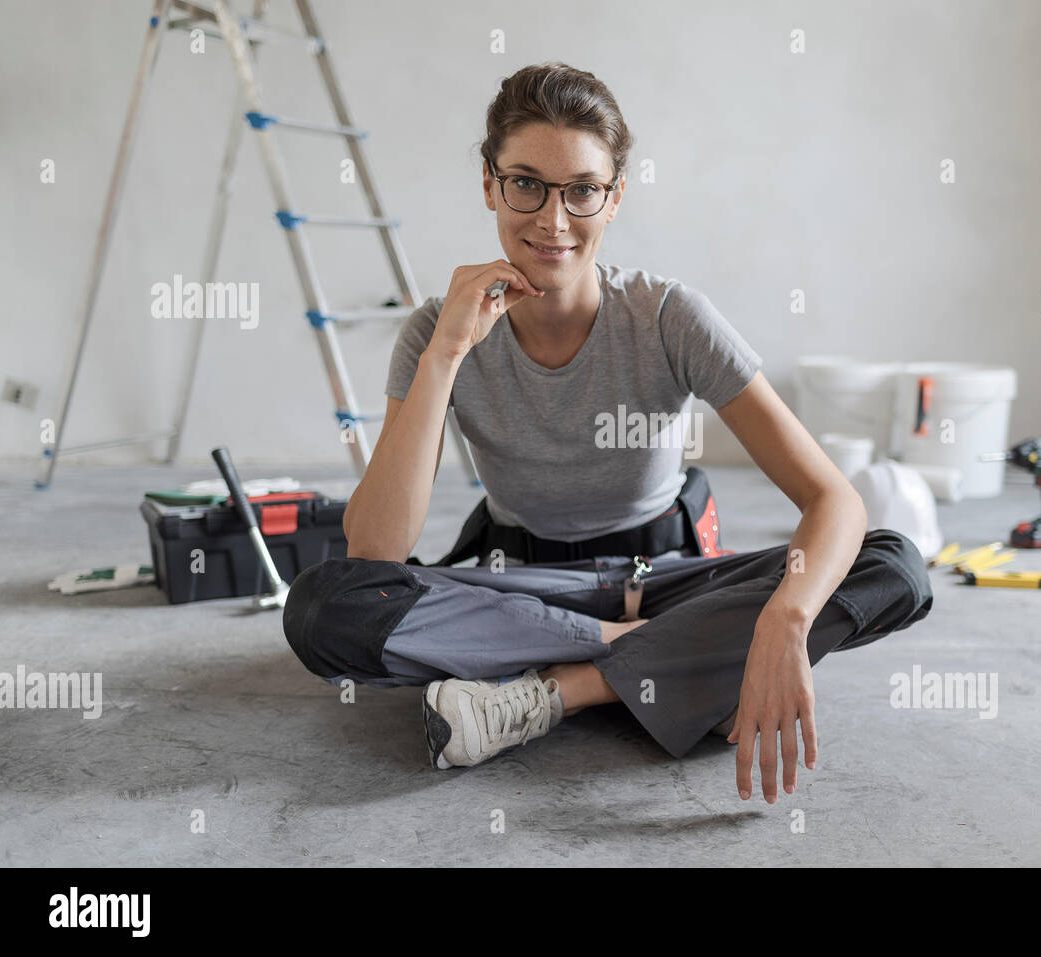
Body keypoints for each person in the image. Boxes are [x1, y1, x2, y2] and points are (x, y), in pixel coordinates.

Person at [283, 62, 933, 804]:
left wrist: (784, 615)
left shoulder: (668, 317)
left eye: (582, 191)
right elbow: (376, 552)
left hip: (664, 583)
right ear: (490, 185)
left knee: (892, 563)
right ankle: (657, 663)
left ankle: (558, 691)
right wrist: (445, 357)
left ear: (614, 197)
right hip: (516, 581)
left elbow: (833, 500)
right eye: (525, 183)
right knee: (322, 605)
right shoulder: (438, 330)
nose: (552, 221)